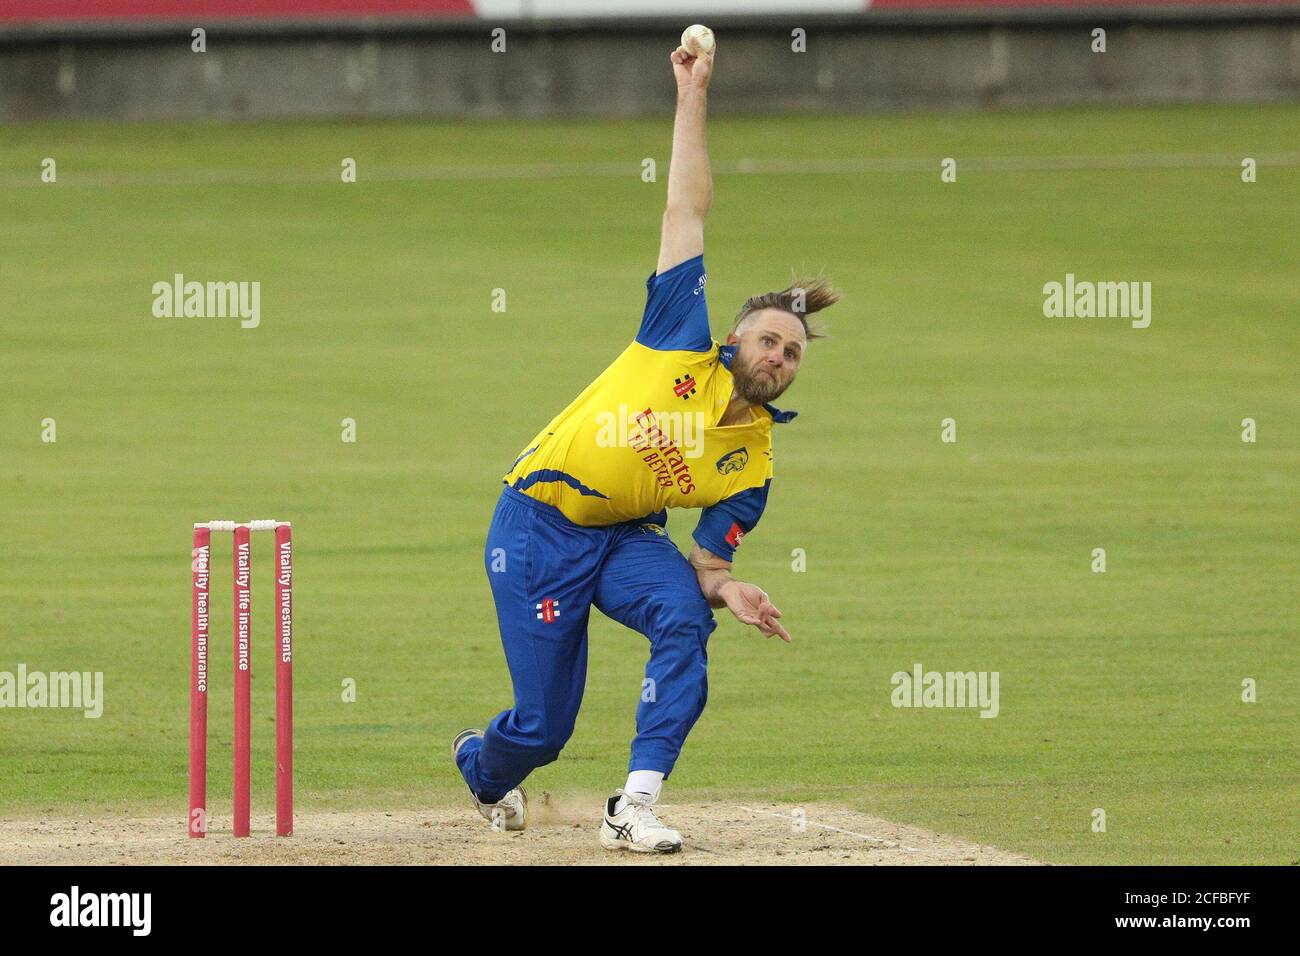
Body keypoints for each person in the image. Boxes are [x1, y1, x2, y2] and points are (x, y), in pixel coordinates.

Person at [453, 33, 840, 853]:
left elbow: (710, 562)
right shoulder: (676, 336)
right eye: (769, 339)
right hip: (538, 525)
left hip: (628, 538)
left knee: (683, 620)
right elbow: (686, 208)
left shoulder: (755, 465)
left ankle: (633, 802)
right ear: (734, 337)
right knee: (541, 728)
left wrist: (728, 590)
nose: (778, 355)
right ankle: (482, 767)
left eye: (793, 352)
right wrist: (693, 93)